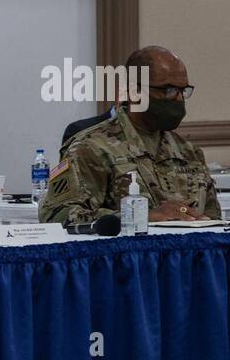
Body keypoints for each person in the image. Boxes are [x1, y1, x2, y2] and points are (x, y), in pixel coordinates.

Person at [39, 46, 220, 226]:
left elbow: (214, 218)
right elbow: (59, 216)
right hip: (124, 245)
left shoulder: (188, 153)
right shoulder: (90, 147)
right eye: (169, 90)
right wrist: (139, 217)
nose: (179, 99)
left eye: (183, 91)